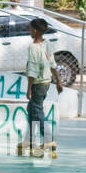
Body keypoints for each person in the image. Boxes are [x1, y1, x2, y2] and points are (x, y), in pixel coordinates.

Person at [21, 17, 64, 158]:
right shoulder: (46, 44)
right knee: (32, 109)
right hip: (46, 83)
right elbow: (52, 64)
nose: (29, 31)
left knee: (37, 112)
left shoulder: (33, 47)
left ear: (34, 30)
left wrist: (29, 88)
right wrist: (58, 81)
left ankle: (48, 141)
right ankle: (31, 142)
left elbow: (32, 69)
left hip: (38, 84)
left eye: (30, 29)